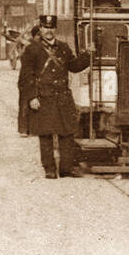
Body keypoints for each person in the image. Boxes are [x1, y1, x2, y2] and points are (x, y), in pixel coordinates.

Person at [19, 15, 90, 178]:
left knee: (67, 133)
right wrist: (32, 97)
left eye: (51, 28)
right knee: (45, 134)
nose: (49, 31)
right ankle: (49, 169)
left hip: (63, 96)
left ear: (55, 29)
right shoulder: (32, 50)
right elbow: (26, 77)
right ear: (41, 29)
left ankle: (66, 169)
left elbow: (74, 67)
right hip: (44, 97)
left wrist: (88, 55)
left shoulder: (63, 48)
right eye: (45, 27)